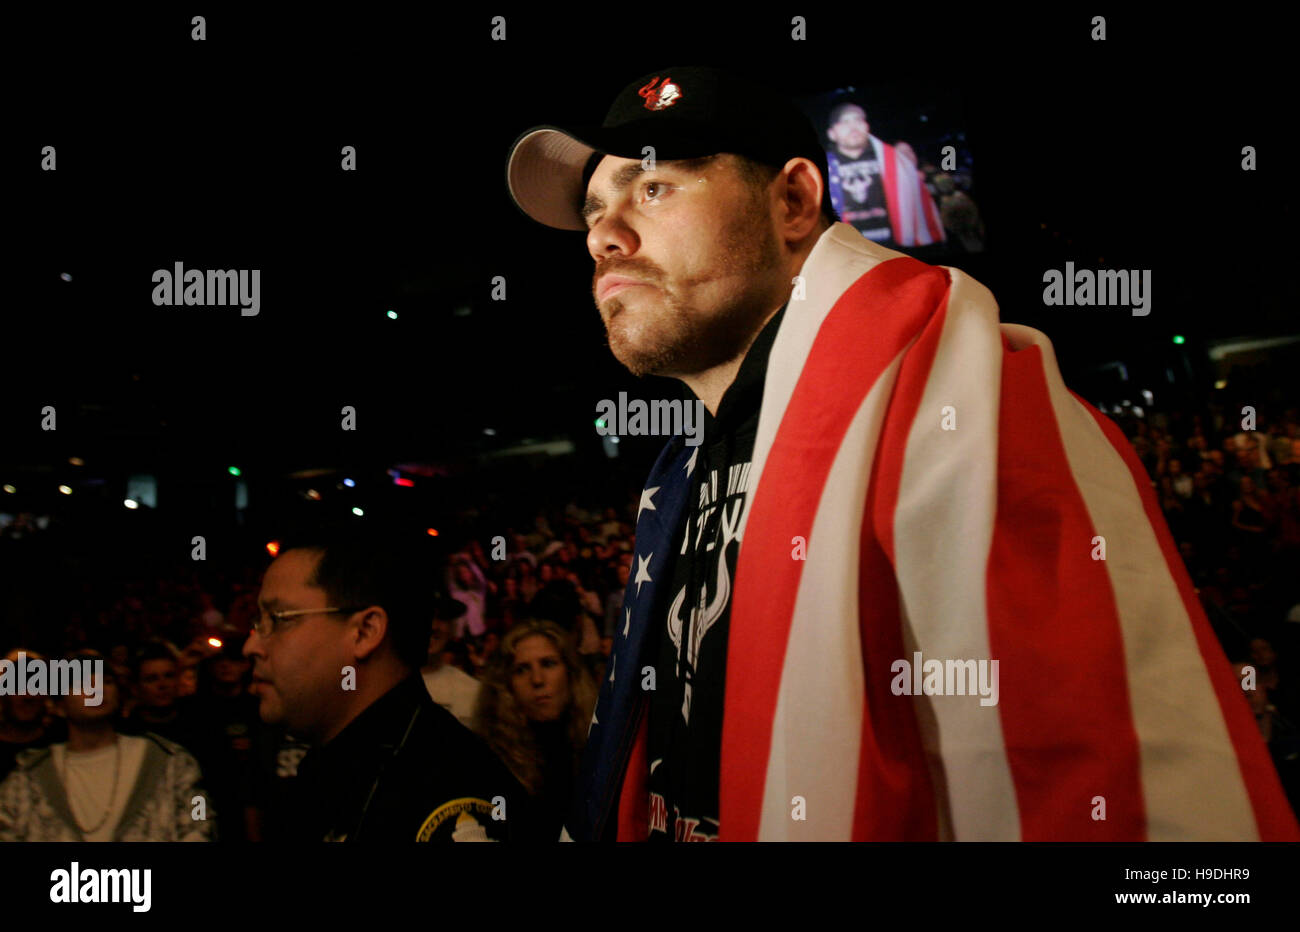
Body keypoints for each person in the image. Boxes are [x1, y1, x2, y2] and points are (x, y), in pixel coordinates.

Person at [505, 64, 1300, 841]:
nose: (604, 235)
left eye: (653, 188)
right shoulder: (673, 476)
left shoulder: (965, 397)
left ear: (792, 200)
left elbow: (1115, 785)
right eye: (594, 209)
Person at [243, 527, 535, 841]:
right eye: (258, 622)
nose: (251, 647)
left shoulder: (446, 784)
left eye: (279, 618)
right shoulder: (331, 764)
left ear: (365, 631)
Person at [0, 650, 213, 841]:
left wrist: (199, 830)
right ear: (59, 704)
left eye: (106, 681)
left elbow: (200, 809)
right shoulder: (30, 774)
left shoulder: (167, 758)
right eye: (81, 683)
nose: (96, 689)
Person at [475, 619, 598, 841]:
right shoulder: (489, 761)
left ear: (570, 672)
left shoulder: (600, 748)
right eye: (521, 670)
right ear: (506, 684)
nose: (537, 680)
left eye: (548, 664)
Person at [824, 101, 944, 248]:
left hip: (895, 245)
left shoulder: (893, 161)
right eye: (844, 122)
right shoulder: (822, 167)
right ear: (831, 133)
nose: (853, 126)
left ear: (867, 127)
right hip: (849, 248)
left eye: (858, 120)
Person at [421, 591, 483, 728]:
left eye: (442, 618)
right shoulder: (380, 687)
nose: (433, 626)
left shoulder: (472, 692)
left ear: (452, 628)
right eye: (424, 615)